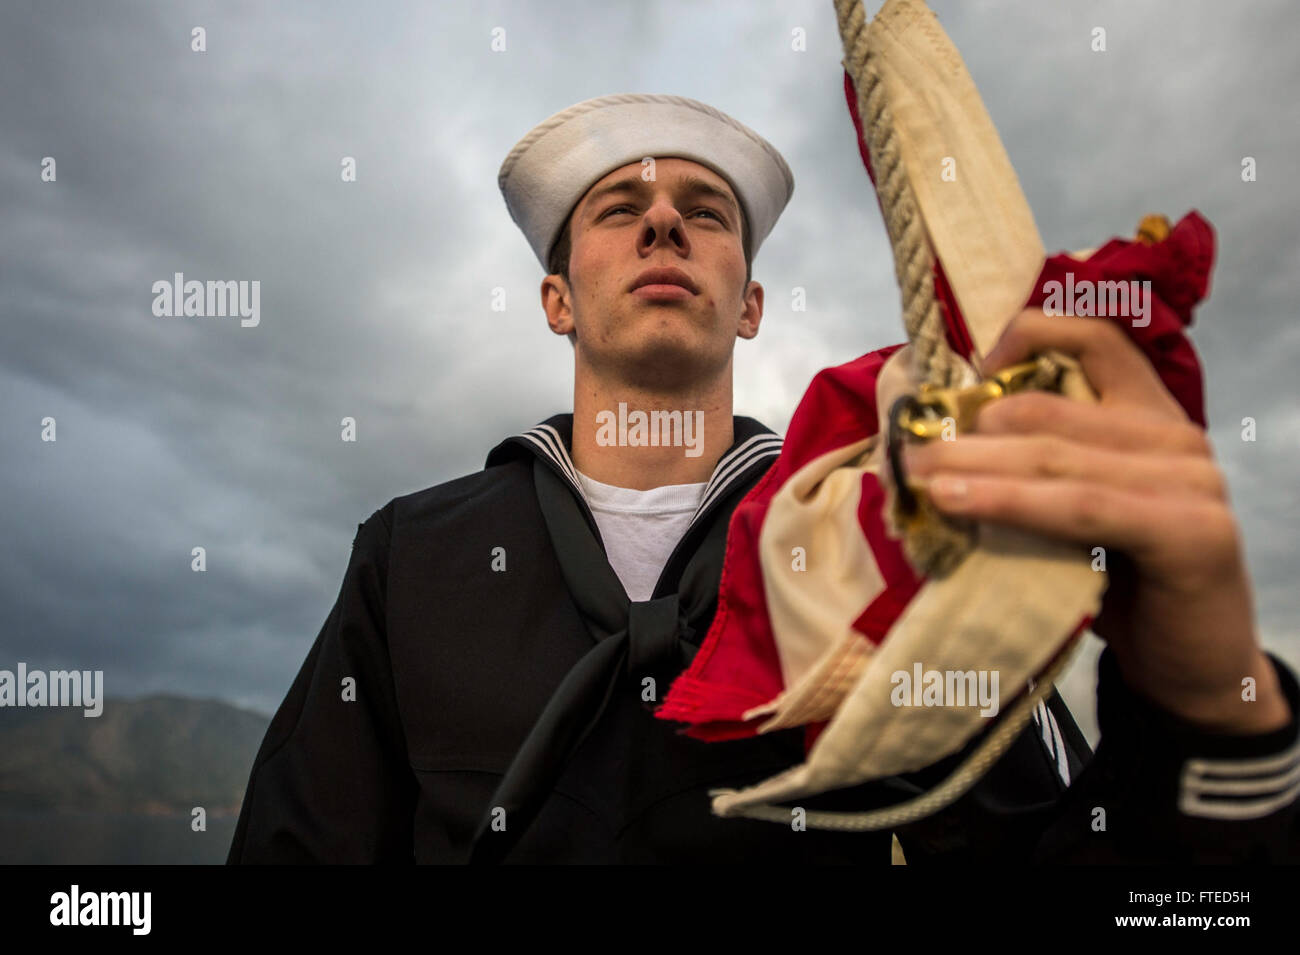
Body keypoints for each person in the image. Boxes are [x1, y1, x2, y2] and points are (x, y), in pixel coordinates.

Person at [227, 93, 1299, 864]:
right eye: (616, 210)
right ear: (557, 301)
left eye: (704, 210)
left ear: (749, 303)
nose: (663, 222)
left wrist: (1208, 707)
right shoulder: (411, 558)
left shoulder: (901, 529)